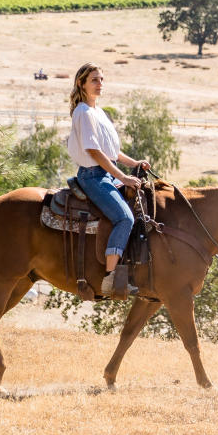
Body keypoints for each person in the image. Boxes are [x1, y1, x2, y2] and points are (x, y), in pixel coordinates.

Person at [66, 63, 150, 296]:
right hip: (93, 177)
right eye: (94, 80)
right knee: (124, 218)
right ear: (81, 84)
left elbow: (111, 151)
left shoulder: (98, 112)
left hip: (106, 174)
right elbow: (94, 151)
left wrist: (134, 163)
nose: (100, 84)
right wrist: (123, 176)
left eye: (101, 79)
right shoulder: (83, 112)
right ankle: (111, 279)